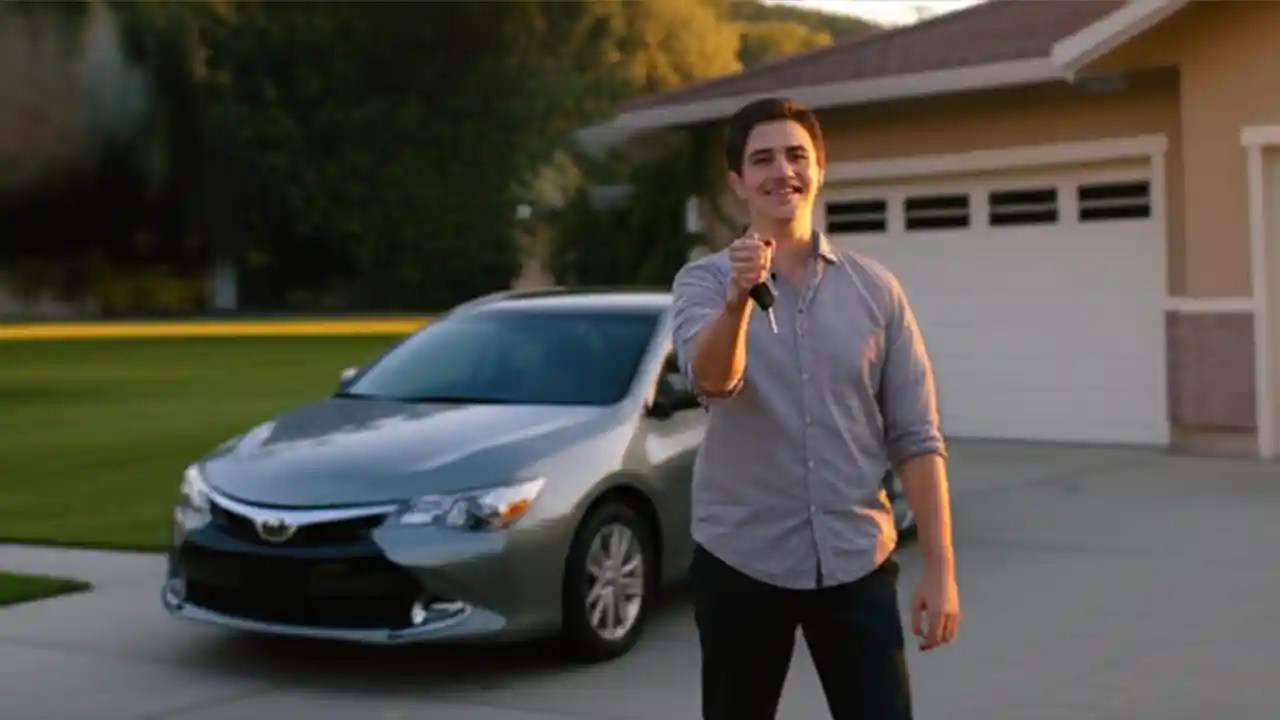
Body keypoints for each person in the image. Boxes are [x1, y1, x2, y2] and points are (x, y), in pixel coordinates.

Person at [671, 97, 960, 720]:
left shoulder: (875, 290)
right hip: (741, 561)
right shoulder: (702, 283)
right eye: (763, 159)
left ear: (820, 170)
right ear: (738, 182)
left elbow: (916, 436)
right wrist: (738, 300)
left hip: (857, 557)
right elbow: (713, 381)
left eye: (796, 155)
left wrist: (940, 569)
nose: (783, 171)